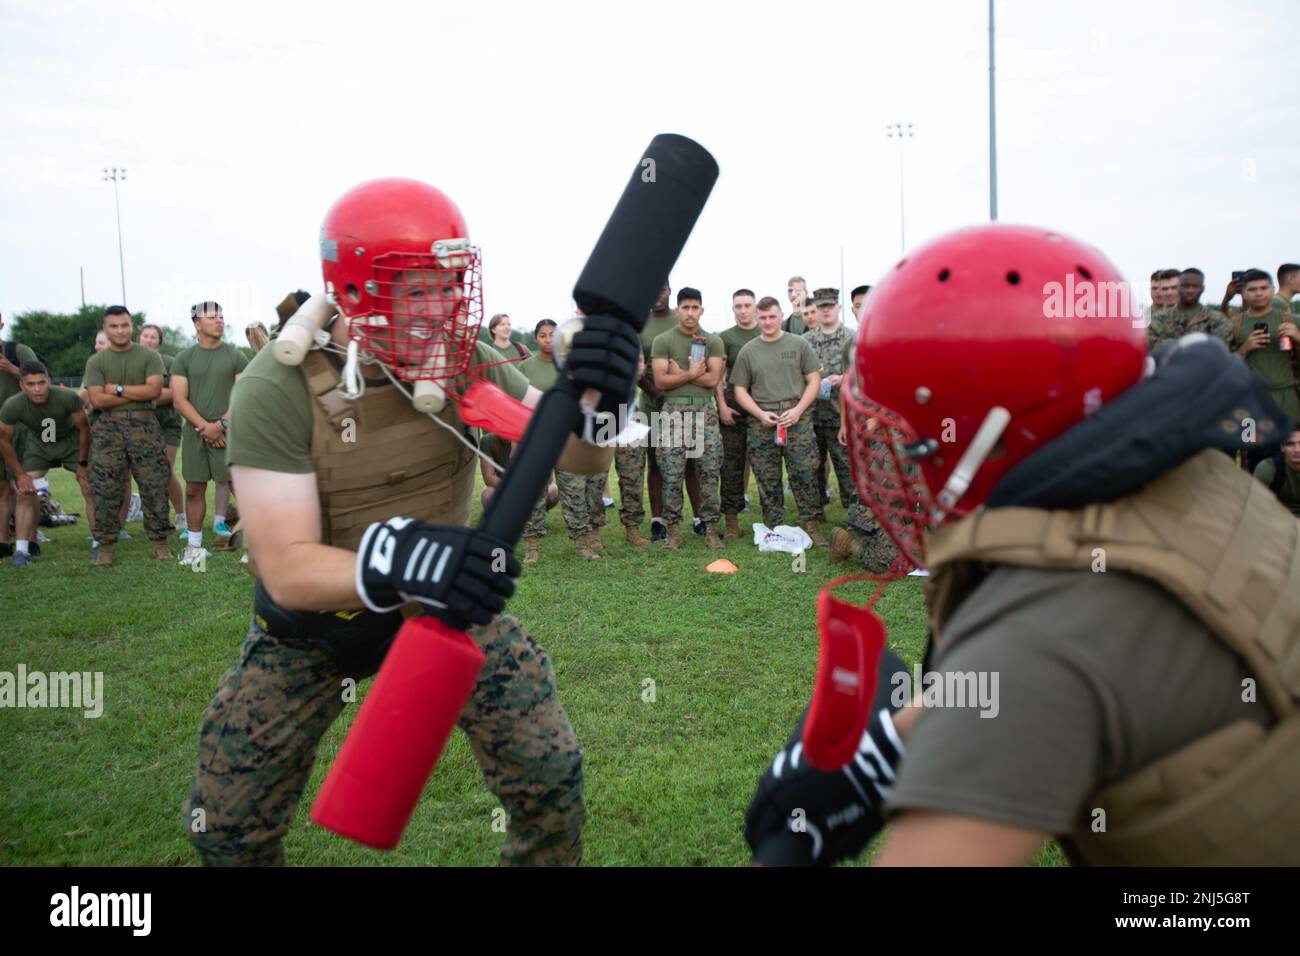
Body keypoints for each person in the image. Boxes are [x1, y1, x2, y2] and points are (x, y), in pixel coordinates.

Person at [745, 223, 1299, 867]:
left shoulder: (1044, 626)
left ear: (989, 435)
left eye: (908, 434)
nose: (893, 457)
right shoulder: (1198, 481)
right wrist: (886, 751)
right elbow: (1072, 677)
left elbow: (1039, 666)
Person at [185, 177, 637, 867]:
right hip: (314, 632)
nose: (448, 305)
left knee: (551, 780)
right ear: (360, 291)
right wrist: (406, 559)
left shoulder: (464, 361)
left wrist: (606, 393)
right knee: (227, 825)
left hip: (447, 607)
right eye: (422, 286)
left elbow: (579, 459)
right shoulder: (274, 387)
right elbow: (287, 567)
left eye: (453, 283)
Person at [81, 306, 173, 565]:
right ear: (105, 329)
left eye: (124, 325)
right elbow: (97, 399)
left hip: (145, 427)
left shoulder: (148, 356)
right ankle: (106, 546)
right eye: (114, 326)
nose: (120, 331)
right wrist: (135, 392)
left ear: (132, 326)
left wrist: (117, 389)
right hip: (108, 430)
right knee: (106, 488)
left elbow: (154, 391)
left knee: (154, 485)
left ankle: (160, 543)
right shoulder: (96, 362)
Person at [730, 296, 824, 546]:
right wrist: (760, 414)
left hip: (797, 418)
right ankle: (774, 526)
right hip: (763, 421)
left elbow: (814, 380)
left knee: (804, 472)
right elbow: (740, 389)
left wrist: (798, 410)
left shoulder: (799, 344)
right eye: (763, 317)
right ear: (757, 318)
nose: (768, 322)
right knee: (767, 476)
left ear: (781, 316)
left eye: (772, 316)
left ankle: (811, 523)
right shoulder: (749, 351)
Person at [171, 301, 249, 564]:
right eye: (212, 316)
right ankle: (194, 548)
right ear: (197, 324)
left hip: (230, 433)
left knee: (241, 486)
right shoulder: (184, 358)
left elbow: (242, 395)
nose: (219, 320)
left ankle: (255, 546)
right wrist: (206, 428)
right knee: (194, 488)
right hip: (196, 434)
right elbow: (179, 400)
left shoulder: (236, 355)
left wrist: (221, 425)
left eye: (221, 315)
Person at [651, 287, 725, 550]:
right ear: (677, 309)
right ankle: (672, 532)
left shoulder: (713, 341)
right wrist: (693, 372)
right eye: (685, 307)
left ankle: (712, 530)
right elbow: (661, 381)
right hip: (673, 412)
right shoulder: (663, 340)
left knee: (708, 472)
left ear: (701, 310)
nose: (690, 312)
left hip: (704, 412)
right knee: (671, 474)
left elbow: (713, 379)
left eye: (695, 307)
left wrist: (680, 372)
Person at [0, 362, 93, 566]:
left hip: (70, 443)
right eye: (31, 384)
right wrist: (21, 475)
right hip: (39, 445)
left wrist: (83, 463)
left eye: (41, 383)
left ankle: (99, 541)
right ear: (22, 385)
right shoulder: (13, 405)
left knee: (89, 486)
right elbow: (3, 440)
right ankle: (23, 550)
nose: (37, 389)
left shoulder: (67, 397)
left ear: (49, 382)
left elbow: (85, 429)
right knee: (25, 491)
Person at [1226, 269, 1300, 470]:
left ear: (1272, 289)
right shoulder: (1235, 324)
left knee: (1290, 456)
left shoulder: (1290, 319)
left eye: (1263, 288)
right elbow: (1224, 366)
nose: (1258, 293)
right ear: (1244, 293)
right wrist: (1245, 348)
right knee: (1250, 455)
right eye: (1252, 289)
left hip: (1286, 399)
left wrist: (1297, 336)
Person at [517, 319, 572, 562]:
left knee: (572, 489)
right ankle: (533, 547)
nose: (548, 339)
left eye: (552, 335)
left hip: (564, 437)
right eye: (542, 335)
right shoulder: (525, 367)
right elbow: (517, 402)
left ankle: (583, 543)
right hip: (536, 437)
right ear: (536, 338)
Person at [717, 289, 760, 539]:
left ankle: (771, 515)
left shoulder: (764, 332)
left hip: (762, 403)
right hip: (733, 407)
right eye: (738, 306)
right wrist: (722, 405)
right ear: (733, 309)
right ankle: (732, 519)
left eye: (747, 305)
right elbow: (717, 376)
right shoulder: (725, 338)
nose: (743, 310)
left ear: (755, 307)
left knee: (766, 465)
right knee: (731, 466)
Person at [138, 323, 186, 532]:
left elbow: (175, 393)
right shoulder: (131, 362)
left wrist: (140, 397)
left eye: (153, 337)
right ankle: (156, 518)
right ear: (138, 338)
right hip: (138, 425)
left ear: (159, 342)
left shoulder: (169, 362)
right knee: (145, 474)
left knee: (164, 470)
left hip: (167, 425)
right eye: (145, 336)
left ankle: (182, 516)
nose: (149, 340)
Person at [0, 310, 37, 559]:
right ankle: (2, 543)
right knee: (2, 487)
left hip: (21, 428)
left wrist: (12, 369)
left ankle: (30, 540)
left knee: (26, 486)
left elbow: (41, 382)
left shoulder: (18, 350)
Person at [1145, 268, 1232, 349]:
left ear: (1202, 288)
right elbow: (1155, 350)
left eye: (1173, 288)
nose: (1190, 290)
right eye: (1165, 289)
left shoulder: (1217, 320)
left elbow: (1219, 351)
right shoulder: (1155, 320)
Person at [1253, 426, 1300, 516]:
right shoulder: (1269, 467)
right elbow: (1255, 505)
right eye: (1290, 444)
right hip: (1277, 520)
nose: (1297, 449)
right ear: (1282, 447)